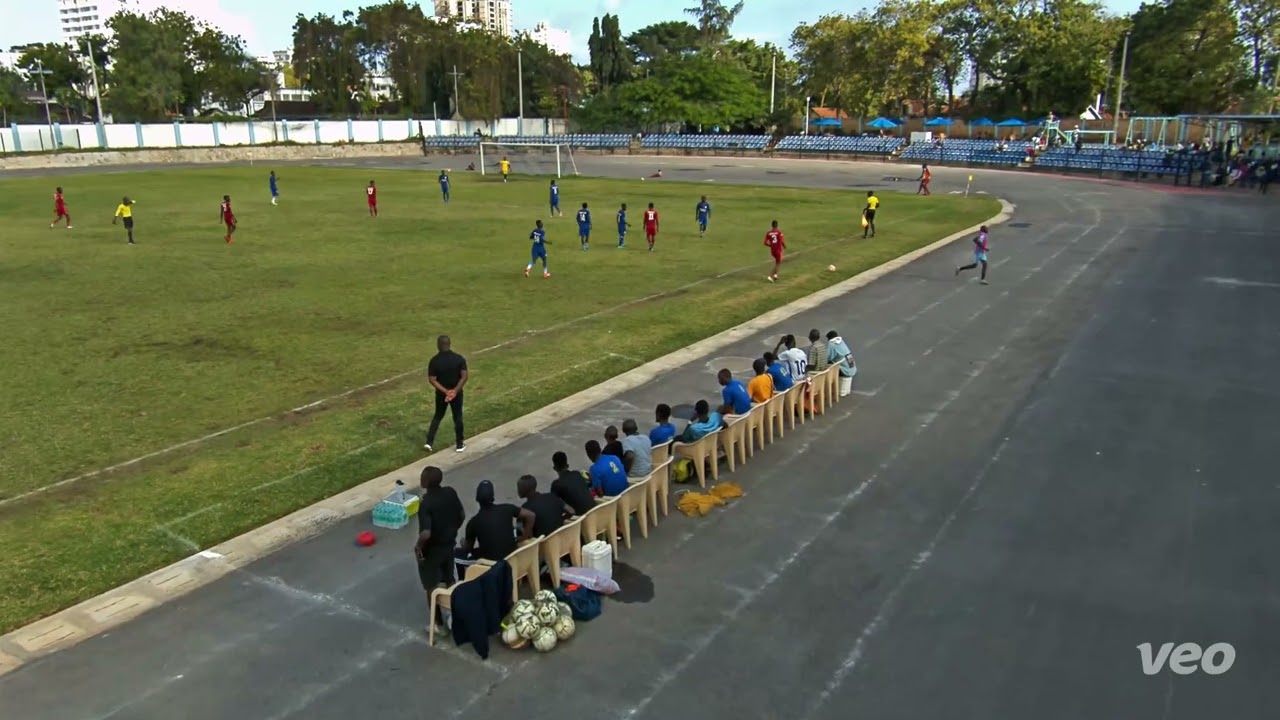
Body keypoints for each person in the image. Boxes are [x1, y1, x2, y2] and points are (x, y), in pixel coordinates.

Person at [413, 465, 465, 629]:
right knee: (450, 579)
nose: (420, 479)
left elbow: (426, 534)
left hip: (433, 550)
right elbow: (462, 515)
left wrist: (418, 547)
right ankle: (457, 614)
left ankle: (437, 623)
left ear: (427, 481)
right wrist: (453, 530)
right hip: (449, 544)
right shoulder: (450, 492)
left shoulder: (426, 503)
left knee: (431, 585)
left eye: (422, 477)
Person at [460, 480, 534, 563]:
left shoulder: (473, 523)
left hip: (492, 566)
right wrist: (524, 536)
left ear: (477, 499)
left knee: (459, 554)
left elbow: (468, 548)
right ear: (493, 497)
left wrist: (463, 543)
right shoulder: (507, 508)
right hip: (513, 560)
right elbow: (530, 515)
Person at [424, 335, 468, 453]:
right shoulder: (459, 358)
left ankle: (429, 442)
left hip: (441, 394)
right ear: (449, 344)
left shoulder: (434, 361)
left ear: (438, 345)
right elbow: (464, 376)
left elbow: (432, 379)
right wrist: (455, 391)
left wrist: (446, 391)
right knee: (457, 417)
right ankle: (459, 444)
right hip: (457, 394)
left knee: (438, 416)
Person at [550, 451, 595, 516]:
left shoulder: (556, 484)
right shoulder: (577, 474)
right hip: (594, 510)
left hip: (580, 517)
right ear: (567, 465)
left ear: (554, 468)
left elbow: (553, 505)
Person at [826, 330, 857, 397]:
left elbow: (827, 357)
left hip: (845, 370)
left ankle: (830, 389)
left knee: (828, 366)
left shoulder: (832, 345)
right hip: (851, 367)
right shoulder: (841, 342)